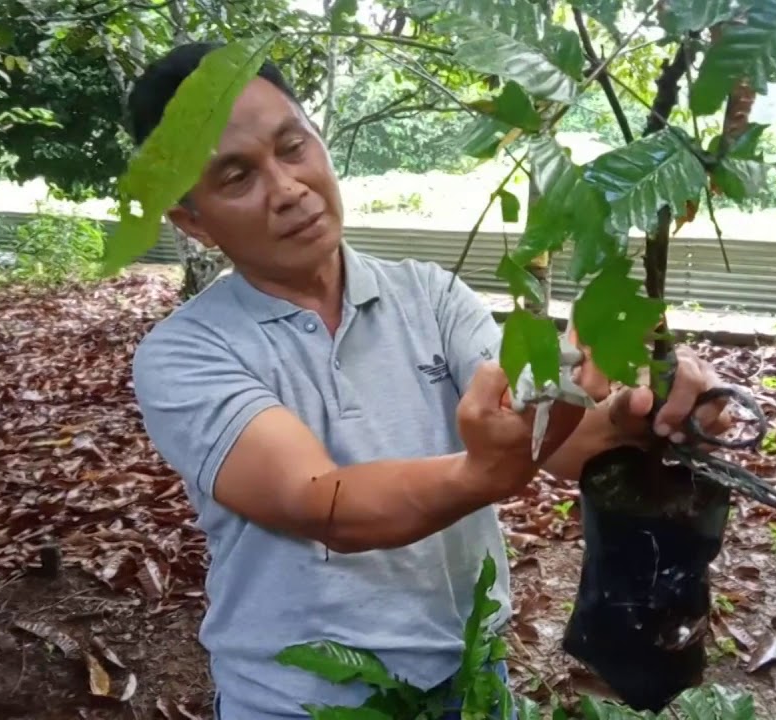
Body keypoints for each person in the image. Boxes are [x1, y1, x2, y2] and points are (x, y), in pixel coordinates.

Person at [126, 41, 733, 720]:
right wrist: (481, 475)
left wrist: (630, 417)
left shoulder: (429, 296)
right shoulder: (185, 353)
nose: (288, 189)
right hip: (298, 699)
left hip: (472, 676)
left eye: (293, 147)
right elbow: (318, 502)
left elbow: (552, 442)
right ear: (192, 222)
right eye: (237, 177)